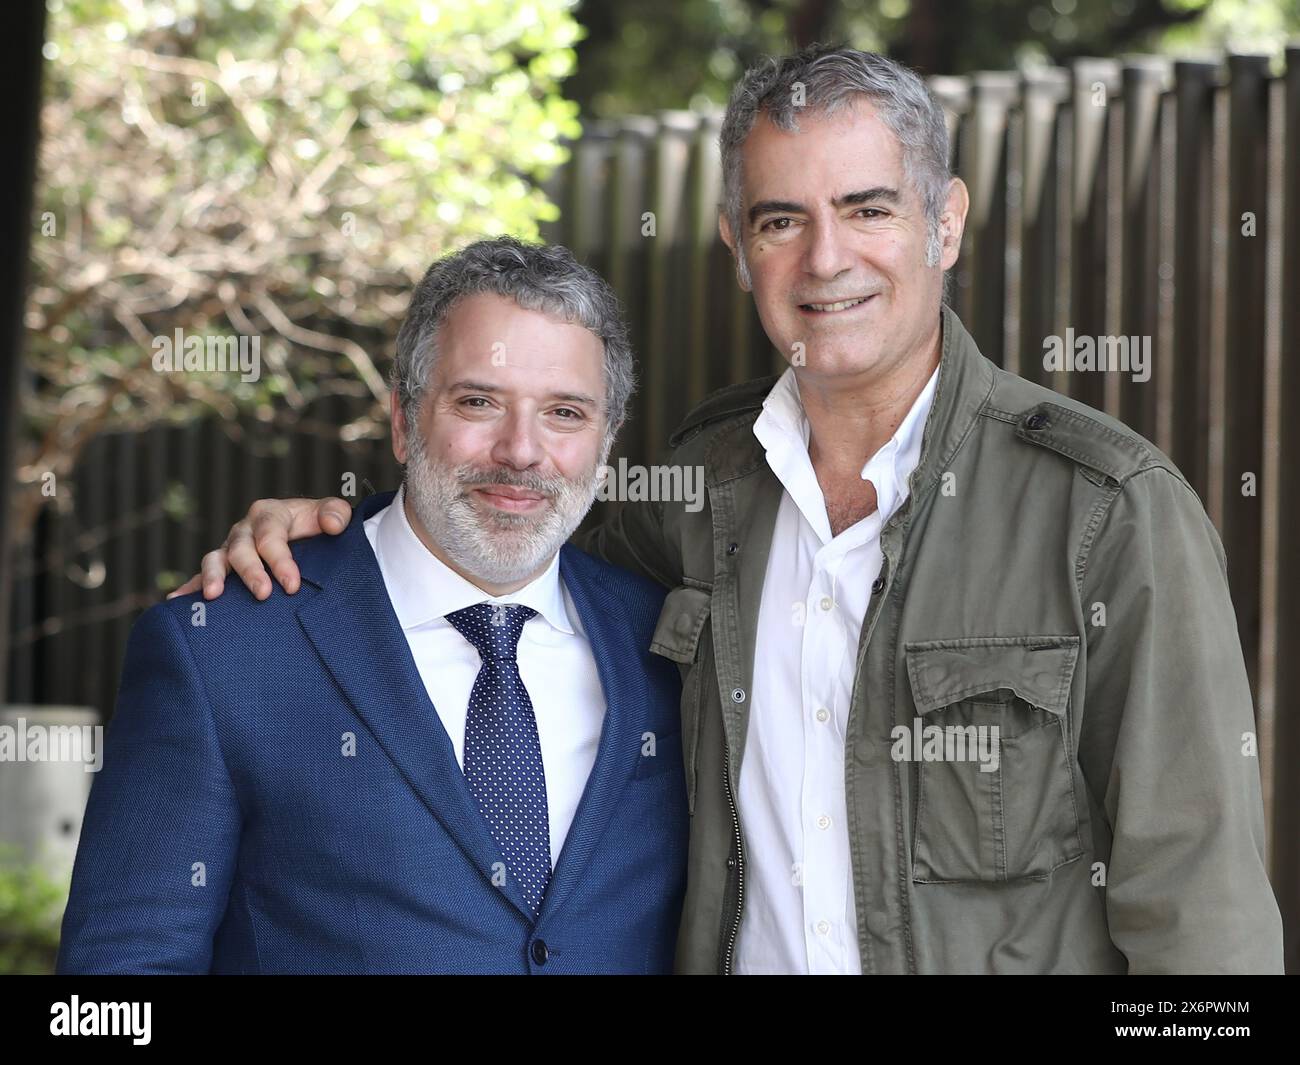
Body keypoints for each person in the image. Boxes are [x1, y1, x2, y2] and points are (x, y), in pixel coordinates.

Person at [173, 46, 1284, 974]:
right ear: (734, 244)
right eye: (779, 220)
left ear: (943, 223)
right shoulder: (691, 495)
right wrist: (338, 536)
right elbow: (500, 539)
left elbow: (1199, 915)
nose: (825, 258)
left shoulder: (1104, 511)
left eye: (867, 209)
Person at [58, 238, 688, 974]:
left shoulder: (665, 645)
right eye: (479, 401)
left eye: (565, 413)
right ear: (401, 417)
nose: (521, 450)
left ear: (607, 439)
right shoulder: (220, 648)